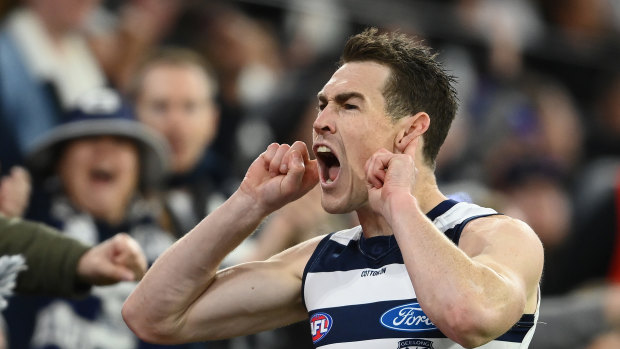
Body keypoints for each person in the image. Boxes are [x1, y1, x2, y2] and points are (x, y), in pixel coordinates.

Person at [123, 28, 544, 348]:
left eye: (349, 106)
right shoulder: (321, 260)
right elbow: (151, 316)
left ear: (409, 132)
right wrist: (249, 204)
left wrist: (400, 205)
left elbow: (468, 316)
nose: (321, 121)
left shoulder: (500, 236)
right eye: (324, 104)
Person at [2, 87, 179, 349]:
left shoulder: (171, 254)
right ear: (60, 163)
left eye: (119, 141)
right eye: (88, 139)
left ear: (138, 166)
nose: (103, 151)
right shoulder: (22, 240)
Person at [129, 47, 226, 236]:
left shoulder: (235, 193)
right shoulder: (113, 206)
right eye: (160, 106)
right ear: (133, 115)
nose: (175, 122)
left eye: (190, 107)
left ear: (213, 121)